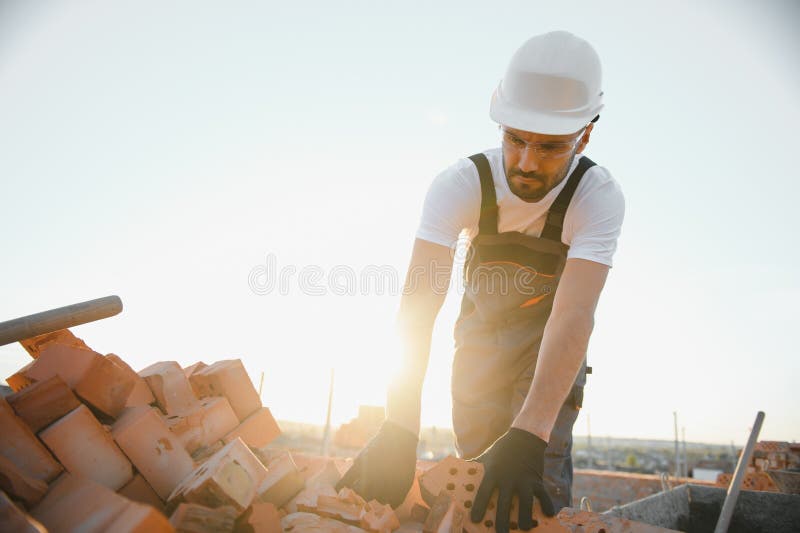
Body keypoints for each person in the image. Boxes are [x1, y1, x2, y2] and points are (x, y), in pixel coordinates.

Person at [337, 31, 625, 532]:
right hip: (478, 343)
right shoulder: (461, 185)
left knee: (533, 487)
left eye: (551, 146)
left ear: (585, 135)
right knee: (471, 482)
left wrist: (531, 436)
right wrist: (399, 423)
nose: (528, 163)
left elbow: (574, 315)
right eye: (515, 138)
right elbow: (418, 306)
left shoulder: (595, 197)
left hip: (548, 349)